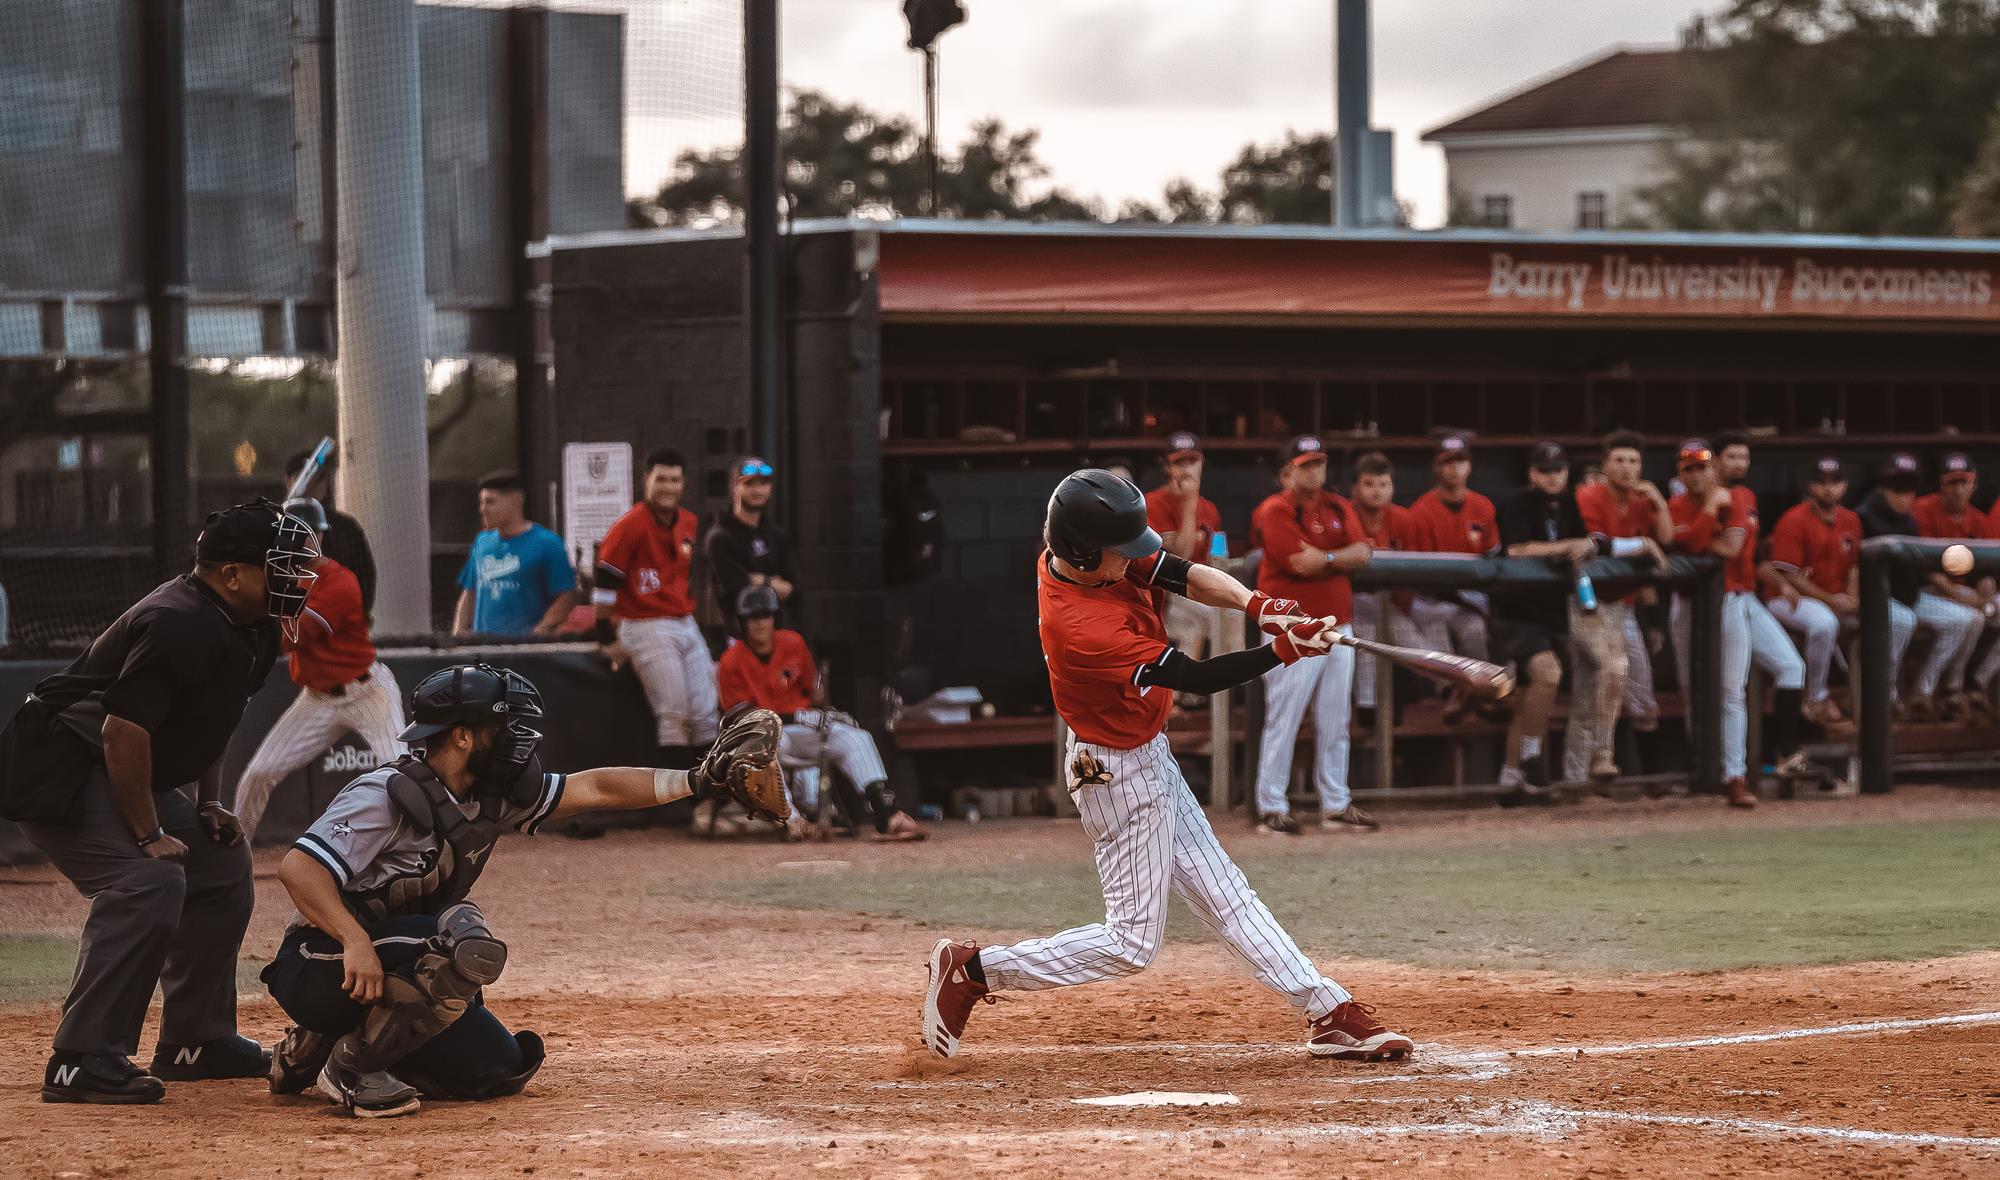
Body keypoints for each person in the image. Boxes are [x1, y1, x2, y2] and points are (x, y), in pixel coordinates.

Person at [919, 469, 1413, 1063]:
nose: (1130, 560)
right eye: (1117, 553)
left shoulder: (1079, 554)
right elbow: (1196, 677)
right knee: (1130, 944)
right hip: (1117, 774)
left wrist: (1262, 605)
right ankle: (973, 970)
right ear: (1081, 550)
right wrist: (1283, 650)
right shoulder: (1083, 629)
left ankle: (1327, 1011)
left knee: (1227, 895)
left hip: (1143, 751)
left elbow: (1176, 572)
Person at [262, 664, 784, 1117]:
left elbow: (596, 787)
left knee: (495, 1069)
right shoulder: (384, 795)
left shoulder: (489, 794)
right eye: (501, 726)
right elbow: (299, 868)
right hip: (320, 962)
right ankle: (347, 1068)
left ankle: (323, 1043)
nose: (518, 737)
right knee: (457, 942)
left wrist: (698, 780)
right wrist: (354, 940)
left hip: (394, 959)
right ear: (462, 736)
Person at [0, 502, 307, 1103]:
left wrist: (210, 805)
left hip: (112, 763)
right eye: (282, 567)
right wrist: (147, 834)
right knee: (148, 880)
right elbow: (122, 732)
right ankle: (80, 1058)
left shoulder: (255, 624)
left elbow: (217, 718)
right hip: (59, 767)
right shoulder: (178, 620)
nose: (296, 581)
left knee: (218, 863)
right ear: (233, 574)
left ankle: (197, 1042)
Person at [231, 498, 406, 839]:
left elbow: (294, 636)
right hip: (317, 699)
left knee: (400, 773)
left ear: (322, 537)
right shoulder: (276, 578)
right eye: (292, 534)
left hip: (367, 693)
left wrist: (259, 606)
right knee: (259, 772)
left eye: (309, 534)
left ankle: (428, 847)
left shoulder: (340, 582)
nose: (302, 541)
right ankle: (233, 855)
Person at [716, 585, 925, 841]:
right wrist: (795, 716)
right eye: (753, 618)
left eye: (766, 616)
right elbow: (744, 719)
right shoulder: (730, 662)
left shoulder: (793, 643)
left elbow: (815, 694)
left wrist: (826, 711)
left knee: (855, 737)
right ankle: (792, 821)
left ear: (774, 618)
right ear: (742, 622)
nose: (760, 623)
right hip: (765, 736)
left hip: (800, 729)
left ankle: (887, 812)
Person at [1668, 441, 1806, 810]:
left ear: (1714, 468)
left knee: (1745, 684)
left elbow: (1729, 548)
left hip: (1735, 598)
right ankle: (1704, 771)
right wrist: (1706, 520)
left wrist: (1699, 537)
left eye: (1703, 467)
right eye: (1689, 469)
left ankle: (1738, 775)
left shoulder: (1738, 496)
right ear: (1680, 475)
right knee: (1691, 688)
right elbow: (1671, 541)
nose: (1697, 475)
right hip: (1689, 604)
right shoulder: (1674, 506)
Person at [1249, 436, 1377, 835]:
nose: (1315, 471)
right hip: (1292, 628)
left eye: (1318, 463)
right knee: (1284, 719)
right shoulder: (1273, 510)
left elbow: (1363, 552)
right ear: (1288, 472)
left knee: (1336, 720)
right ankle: (1271, 806)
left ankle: (1336, 804)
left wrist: (1327, 558)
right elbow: (1298, 564)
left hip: (1338, 625)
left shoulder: (1339, 505)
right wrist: (1337, 558)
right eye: (1306, 465)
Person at [594, 449, 719, 754]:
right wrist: (606, 637)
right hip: (644, 623)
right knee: (674, 714)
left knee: (706, 713)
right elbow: (604, 584)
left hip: (683, 621)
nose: (668, 487)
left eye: (674, 479)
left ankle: (704, 797)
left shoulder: (687, 522)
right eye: (661, 479)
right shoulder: (630, 525)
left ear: (683, 483)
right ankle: (674, 798)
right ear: (646, 480)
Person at [1491, 442, 1595, 800]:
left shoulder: (1569, 503)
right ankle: (1533, 756)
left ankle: (1509, 778)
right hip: (1515, 611)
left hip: (1552, 609)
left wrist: (1582, 545)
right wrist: (1564, 547)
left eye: (1559, 470)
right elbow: (1516, 550)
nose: (1554, 477)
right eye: (1546, 470)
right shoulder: (1516, 503)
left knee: (1528, 695)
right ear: (1533, 473)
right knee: (1548, 674)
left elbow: (1581, 542)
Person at [1569, 431, 1672, 784]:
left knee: (1637, 699)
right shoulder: (1588, 495)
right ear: (1605, 465)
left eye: (1633, 461)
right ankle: (1596, 761)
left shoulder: (1643, 500)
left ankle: (1584, 778)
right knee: (1604, 677)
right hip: (1585, 600)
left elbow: (1668, 541)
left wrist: (1659, 501)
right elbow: (1595, 545)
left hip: (1622, 608)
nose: (1627, 468)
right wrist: (1642, 544)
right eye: (1619, 461)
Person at [1712, 432, 1815, 736]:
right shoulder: (1708, 497)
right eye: (1732, 456)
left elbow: (1754, 558)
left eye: (1744, 457)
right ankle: (1724, 770)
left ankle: (1788, 755)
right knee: (1728, 689)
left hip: (1746, 595)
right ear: (1716, 459)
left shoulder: (1746, 495)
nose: (1739, 463)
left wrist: (1781, 583)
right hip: (1718, 597)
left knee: (1791, 667)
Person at [1762, 457, 1863, 725]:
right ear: (1810, 487)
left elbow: (1854, 566)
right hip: (1786, 599)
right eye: (1821, 483)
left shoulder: (1851, 520)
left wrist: (1853, 596)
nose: (1829, 489)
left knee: (1888, 619)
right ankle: (1816, 697)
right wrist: (1833, 600)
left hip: (1834, 598)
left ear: (1845, 486)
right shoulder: (1793, 520)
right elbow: (1789, 574)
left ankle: (1872, 701)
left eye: (1835, 483)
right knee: (1823, 622)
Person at [1909, 452, 1990, 722]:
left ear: (1974, 485)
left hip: (1960, 593)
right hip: (1924, 592)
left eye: (1963, 482)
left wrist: (1985, 592)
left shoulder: (1978, 519)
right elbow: (1928, 572)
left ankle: (1967, 684)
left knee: (1979, 617)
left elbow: (1985, 570)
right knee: (1966, 619)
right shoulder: (1922, 510)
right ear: (1941, 485)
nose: (1958, 489)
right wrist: (1963, 596)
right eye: (1952, 483)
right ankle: (1925, 689)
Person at [1404, 435, 1496, 668]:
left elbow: (1493, 557)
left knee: (1475, 633)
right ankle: (1451, 696)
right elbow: (1420, 574)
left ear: (1470, 466)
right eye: (1448, 462)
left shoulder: (1483, 506)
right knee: (1440, 649)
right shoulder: (1420, 511)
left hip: (1472, 594)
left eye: (1460, 461)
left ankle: (1474, 699)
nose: (1455, 468)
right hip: (1431, 600)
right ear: (1437, 467)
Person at [452, 471, 577, 638]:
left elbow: (567, 596)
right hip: (482, 649)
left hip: (523, 652)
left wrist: (539, 632)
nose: (483, 509)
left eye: (490, 502)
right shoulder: (482, 542)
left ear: (514, 501)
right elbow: (469, 592)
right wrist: (457, 633)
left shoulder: (548, 543)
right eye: (481, 503)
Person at [1346, 451, 1421, 716]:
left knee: (1410, 638)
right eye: (1369, 484)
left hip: (1390, 598)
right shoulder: (1345, 514)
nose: (1377, 491)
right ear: (1354, 489)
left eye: (1383, 484)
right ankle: (1368, 706)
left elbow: (1413, 568)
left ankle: (1450, 691)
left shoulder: (1403, 518)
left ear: (1393, 488)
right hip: (1351, 598)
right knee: (1366, 634)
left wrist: (1403, 602)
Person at [1144, 432, 1225, 668]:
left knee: (1229, 616)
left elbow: (1217, 560)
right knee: (1214, 618)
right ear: (1167, 467)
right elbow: (1182, 557)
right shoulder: (1152, 503)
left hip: (1196, 591)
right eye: (1179, 462)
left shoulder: (1209, 508)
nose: (1187, 468)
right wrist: (1189, 505)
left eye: (1192, 461)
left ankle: (1221, 693)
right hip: (1164, 595)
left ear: (1202, 462)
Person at [1856, 454, 1927, 719]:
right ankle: (1886, 693)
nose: (1904, 497)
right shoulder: (1863, 517)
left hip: (1908, 597)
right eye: (1897, 489)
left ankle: (1928, 689)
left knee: (1965, 620)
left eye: (1909, 490)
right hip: (1875, 599)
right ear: (1882, 487)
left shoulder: (1909, 521)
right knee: (1904, 621)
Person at [704, 455, 799, 634]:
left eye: (763, 484)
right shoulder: (720, 537)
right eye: (749, 484)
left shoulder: (777, 535)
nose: (757, 490)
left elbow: (792, 586)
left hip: (777, 634)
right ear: (735, 487)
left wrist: (755, 579)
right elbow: (735, 585)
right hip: (735, 635)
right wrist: (770, 582)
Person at [285, 449, 377, 617]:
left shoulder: (346, 528)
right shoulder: (278, 525)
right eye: (305, 478)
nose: (313, 484)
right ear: (289, 482)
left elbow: (364, 582)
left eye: (320, 478)